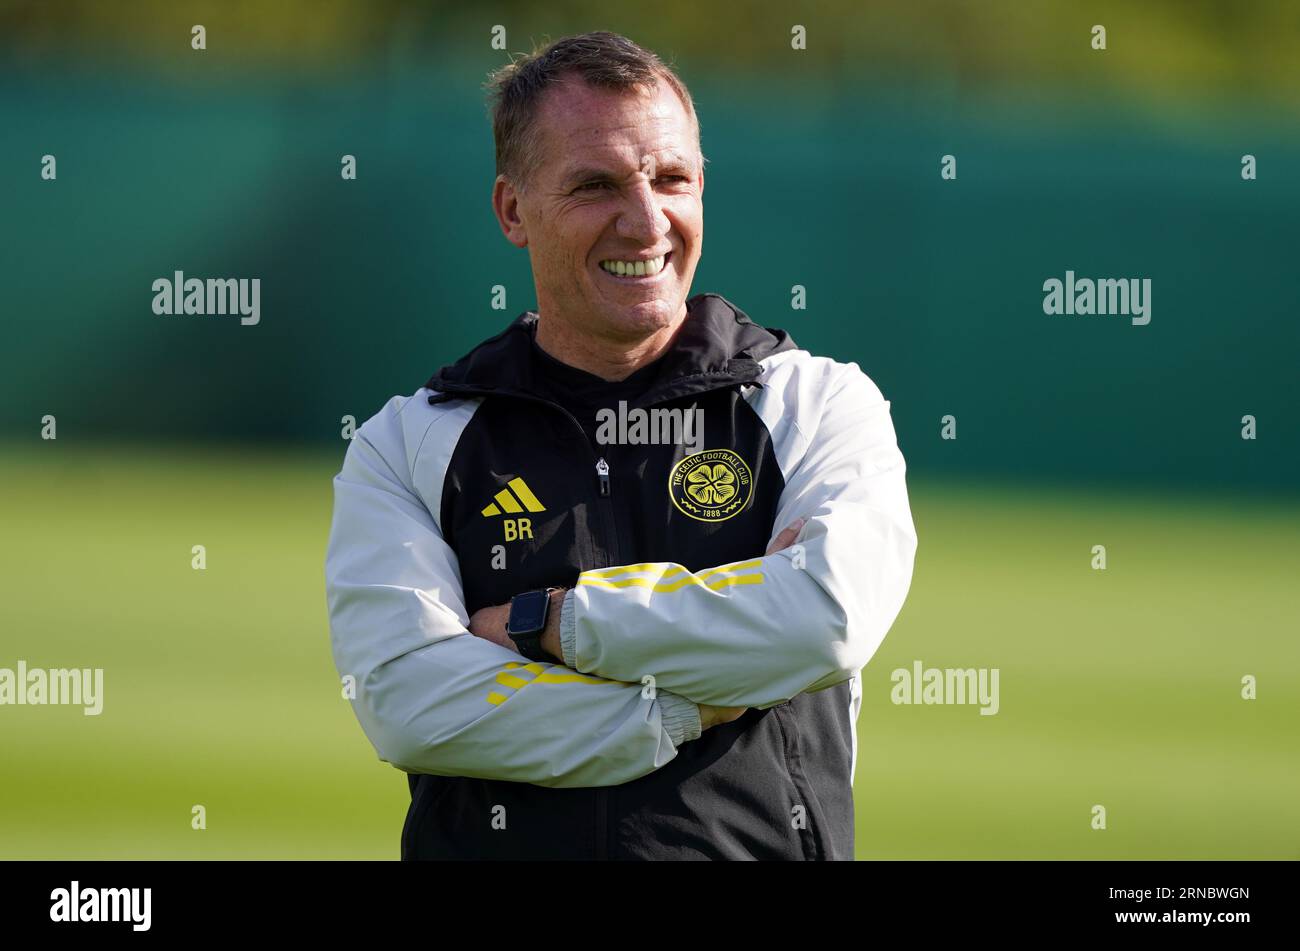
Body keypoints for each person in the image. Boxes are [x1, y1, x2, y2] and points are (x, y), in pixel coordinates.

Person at [324, 30, 917, 860]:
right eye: (594, 185)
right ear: (512, 211)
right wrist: (683, 706)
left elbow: (823, 620)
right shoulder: (407, 442)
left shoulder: (818, 404)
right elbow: (410, 702)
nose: (645, 221)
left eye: (672, 179)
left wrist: (552, 625)